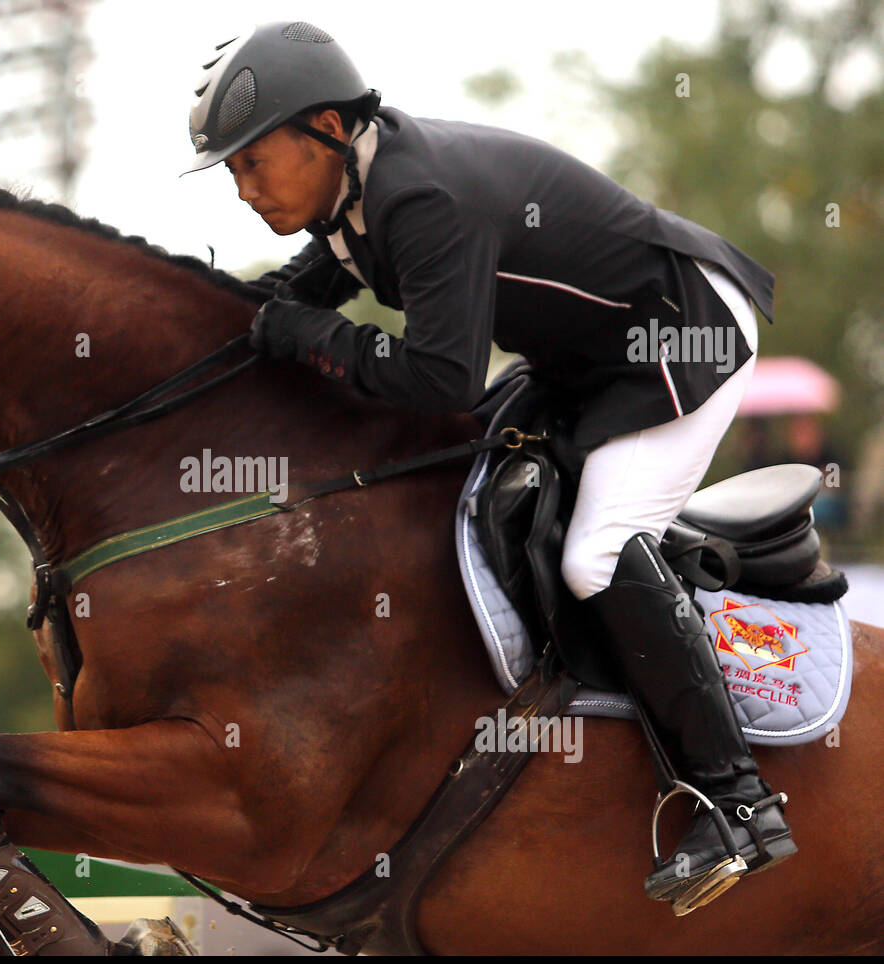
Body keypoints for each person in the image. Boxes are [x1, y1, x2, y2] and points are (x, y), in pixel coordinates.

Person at [180, 20, 795, 913]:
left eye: (250, 161)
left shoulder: (421, 197)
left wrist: (311, 335)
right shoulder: (358, 190)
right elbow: (310, 287)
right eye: (231, 172)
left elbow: (441, 375)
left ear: (323, 127)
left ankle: (737, 801)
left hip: (681, 334)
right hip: (591, 356)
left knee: (593, 553)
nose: (242, 189)